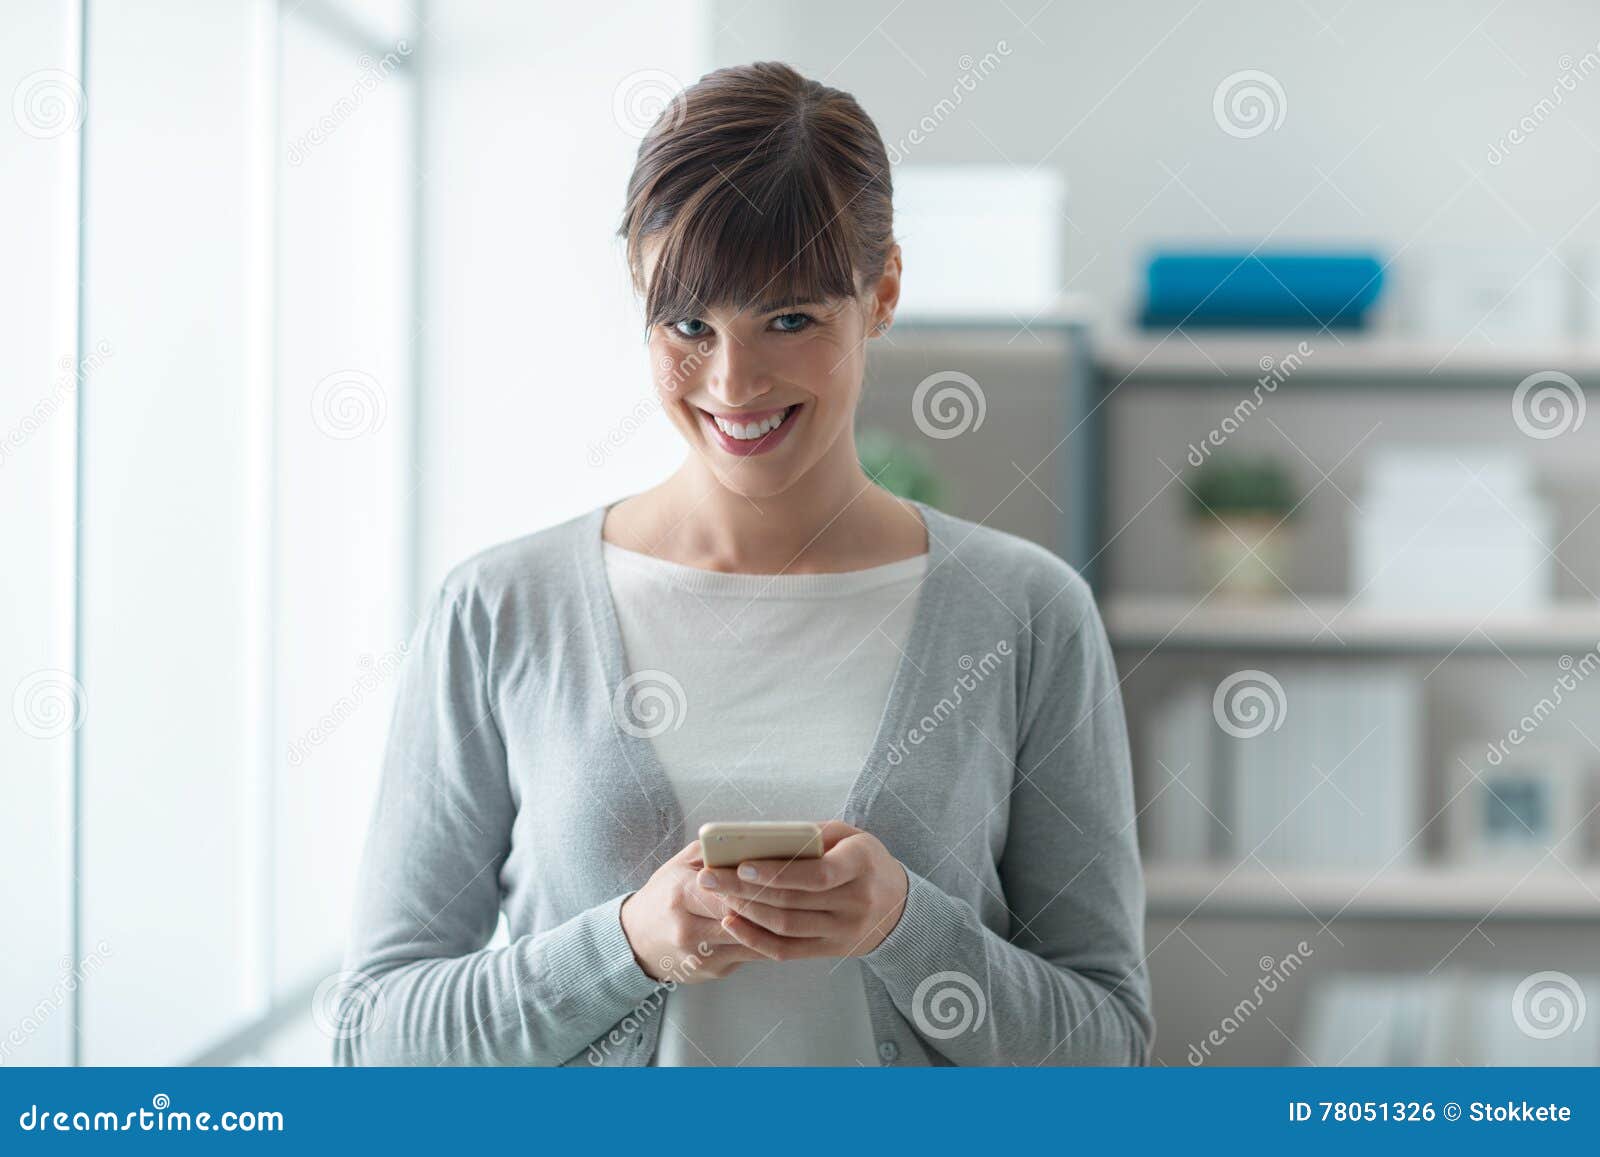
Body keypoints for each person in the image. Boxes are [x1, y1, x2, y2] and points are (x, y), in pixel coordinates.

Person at [335, 60, 1151, 1067]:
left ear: (882, 290)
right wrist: (629, 943)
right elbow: (373, 1038)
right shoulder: (501, 609)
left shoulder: (1024, 612)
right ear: (640, 299)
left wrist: (904, 925)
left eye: (790, 319)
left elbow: (1108, 1048)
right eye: (688, 324)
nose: (732, 380)